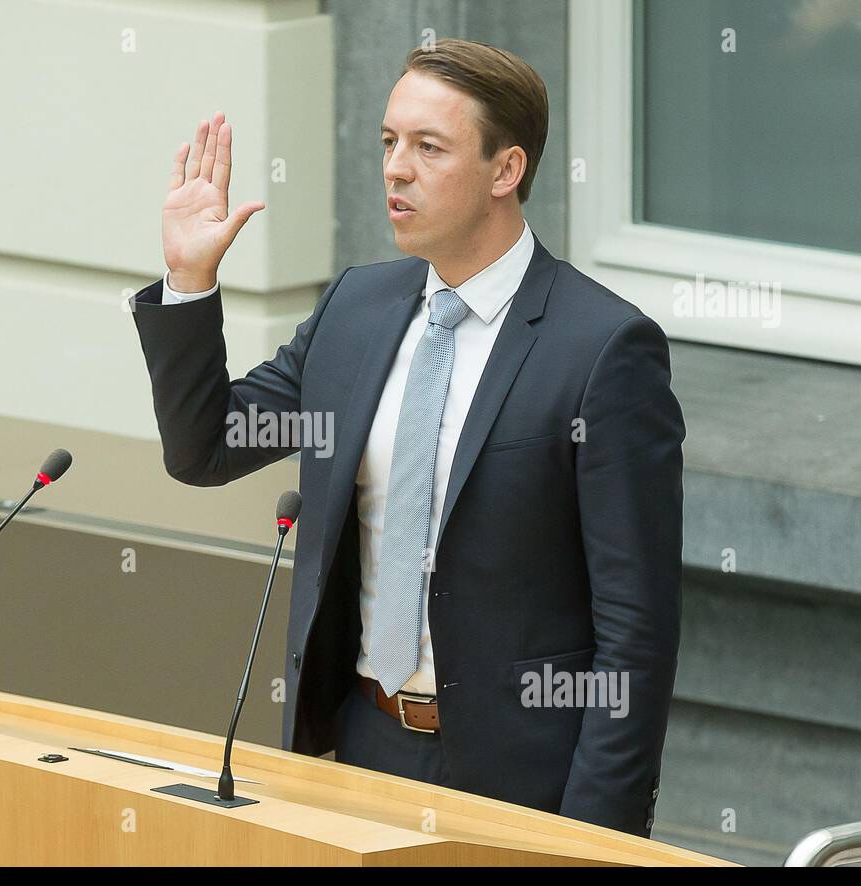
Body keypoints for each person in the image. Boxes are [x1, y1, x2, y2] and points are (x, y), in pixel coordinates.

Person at [128, 39, 685, 838]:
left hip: (523, 783)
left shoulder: (602, 350)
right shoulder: (358, 308)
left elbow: (636, 632)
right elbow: (207, 447)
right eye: (388, 142)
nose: (395, 168)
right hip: (359, 746)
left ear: (506, 170)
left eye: (429, 147)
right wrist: (188, 282)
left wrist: (593, 840)